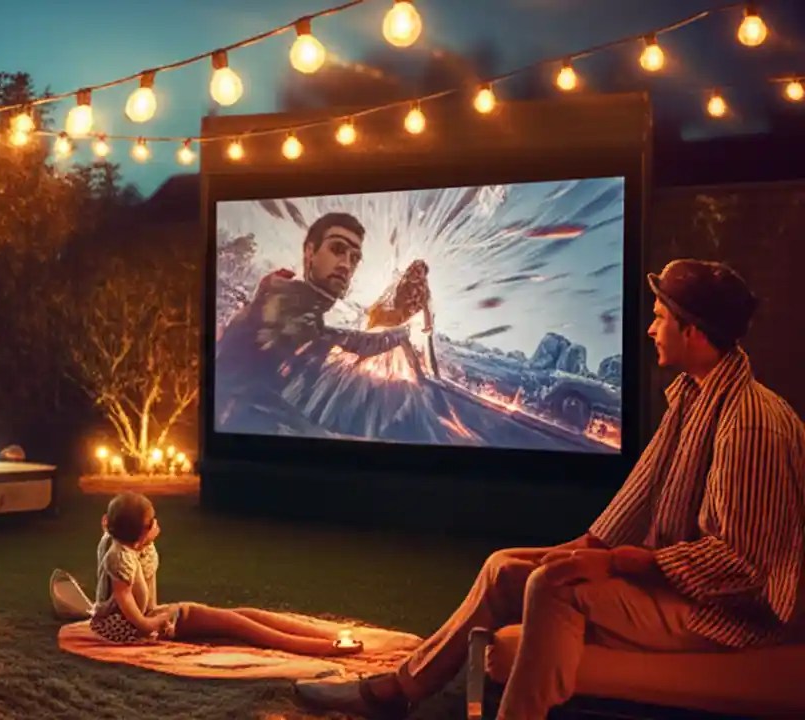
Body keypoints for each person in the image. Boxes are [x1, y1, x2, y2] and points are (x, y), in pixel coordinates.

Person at [294, 259, 805, 719]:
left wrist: (613, 563)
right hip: (676, 586)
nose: (650, 328)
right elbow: (636, 498)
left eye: (659, 318)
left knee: (550, 587)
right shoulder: (692, 399)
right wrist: (580, 551)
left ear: (692, 331)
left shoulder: (750, 422)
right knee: (505, 568)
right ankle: (399, 690)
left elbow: (740, 565)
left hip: (725, 615)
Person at [91, 491, 363, 656]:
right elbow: (134, 615)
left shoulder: (124, 545)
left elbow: (138, 597)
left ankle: (325, 636)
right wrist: (159, 622)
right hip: (148, 628)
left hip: (155, 617)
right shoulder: (119, 558)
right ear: (139, 533)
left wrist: (144, 543)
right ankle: (323, 647)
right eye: (151, 523)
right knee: (237, 624)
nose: (157, 525)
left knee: (244, 615)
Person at [214, 212, 412, 435]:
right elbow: (325, 335)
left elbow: (332, 337)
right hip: (239, 426)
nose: (346, 265)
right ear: (310, 252)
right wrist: (399, 331)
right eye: (337, 249)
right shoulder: (285, 299)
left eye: (354, 258)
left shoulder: (303, 309)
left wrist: (398, 333)